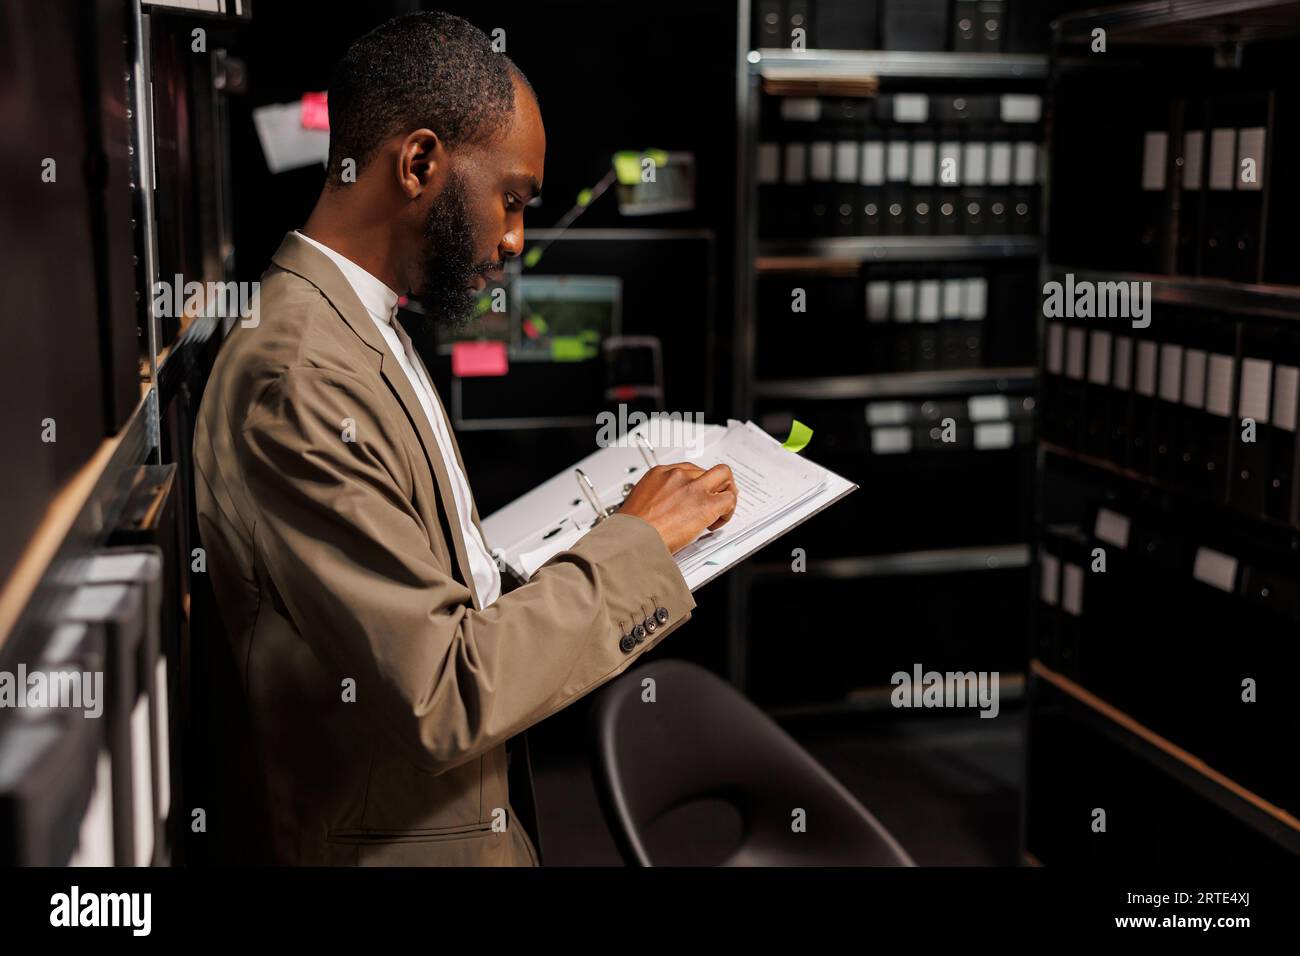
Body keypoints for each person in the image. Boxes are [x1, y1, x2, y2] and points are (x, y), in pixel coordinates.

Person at [192, 11, 736, 866]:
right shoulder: (300, 373)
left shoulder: (360, 324)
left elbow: (427, 593)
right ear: (418, 163)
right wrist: (639, 541)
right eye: (512, 200)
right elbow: (442, 692)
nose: (516, 239)